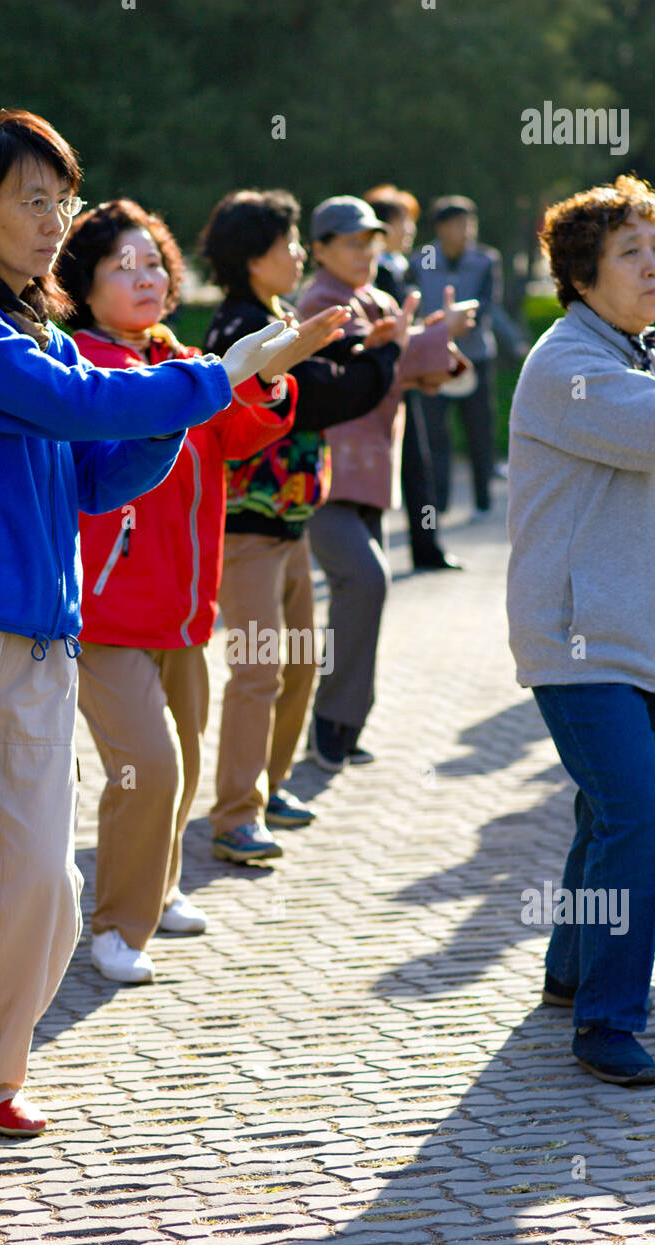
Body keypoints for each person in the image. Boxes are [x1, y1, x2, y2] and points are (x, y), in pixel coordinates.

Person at [0, 108, 299, 1184]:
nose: (56, 220)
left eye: (63, 198)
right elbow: (66, 402)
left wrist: (186, 403)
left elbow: (96, 471)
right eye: (33, 200)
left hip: (42, 637)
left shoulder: (40, 331)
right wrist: (218, 373)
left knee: (46, 883)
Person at [56, 198, 343, 981]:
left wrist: (271, 372)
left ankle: (162, 883)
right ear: (83, 284)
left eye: (154, 262)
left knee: (180, 755)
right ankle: (117, 922)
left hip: (185, 611)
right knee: (146, 766)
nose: (146, 277)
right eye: (124, 266)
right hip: (104, 613)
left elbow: (244, 433)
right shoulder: (74, 367)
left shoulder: (180, 357)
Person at [507, 174, 655, 1087]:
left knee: (606, 814)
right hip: (580, 643)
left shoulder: (652, 353)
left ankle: (567, 970)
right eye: (631, 251)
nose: (654, 265)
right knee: (637, 820)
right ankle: (607, 1021)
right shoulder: (569, 366)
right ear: (582, 276)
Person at [199, 188, 409, 861]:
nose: (296, 256)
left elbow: (322, 373)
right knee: (259, 670)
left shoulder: (274, 316)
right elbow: (321, 395)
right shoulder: (240, 330)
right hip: (246, 526)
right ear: (251, 259)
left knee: (293, 663)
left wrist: (366, 351)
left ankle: (269, 784)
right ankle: (235, 814)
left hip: (288, 520)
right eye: (286, 246)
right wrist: (379, 358)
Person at [296, 196, 475, 771]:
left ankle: (344, 723)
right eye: (350, 241)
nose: (365, 251)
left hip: (368, 478)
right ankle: (329, 721)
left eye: (371, 240)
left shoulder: (377, 298)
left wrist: (437, 339)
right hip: (324, 478)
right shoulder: (321, 301)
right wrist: (428, 335)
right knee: (366, 582)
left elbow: (416, 370)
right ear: (319, 250)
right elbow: (373, 356)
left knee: (364, 592)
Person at [408, 194, 526, 518]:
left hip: (475, 356)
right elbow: (412, 303)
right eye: (460, 224)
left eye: (470, 223)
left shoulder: (486, 260)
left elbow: (489, 305)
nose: (467, 230)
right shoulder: (421, 260)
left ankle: (482, 503)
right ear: (442, 228)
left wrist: (511, 339)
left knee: (479, 431)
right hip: (433, 358)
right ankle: (440, 504)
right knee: (435, 434)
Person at [365, 184, 462, 571]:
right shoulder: (381, 272)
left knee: (416, 465)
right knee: (406, 466)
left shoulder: (398, 266)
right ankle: (406, 551)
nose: (410, 232)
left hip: (403, 375)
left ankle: (424, 546)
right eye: (404, 222)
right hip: (389, 379)